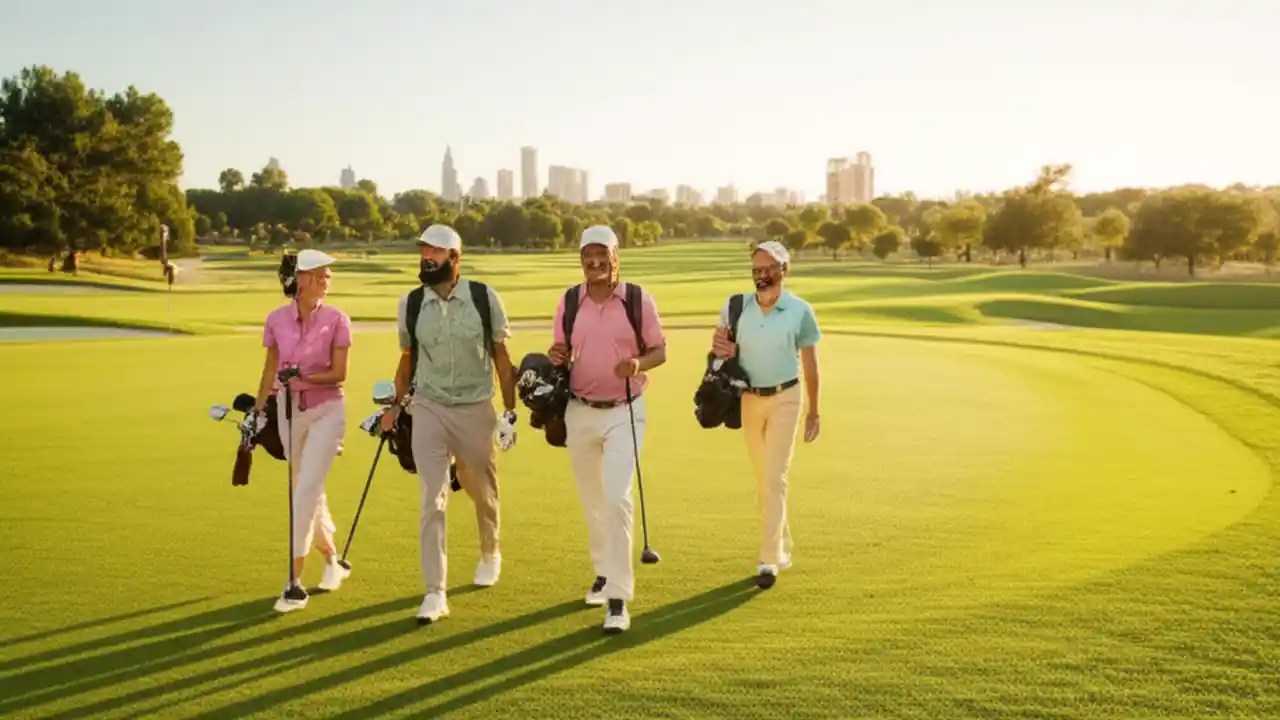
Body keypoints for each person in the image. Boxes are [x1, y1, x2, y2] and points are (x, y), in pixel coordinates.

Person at [380, 224, 518, 625]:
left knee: (481, 489)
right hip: (429, 407)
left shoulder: (482, 297)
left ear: (455, 259)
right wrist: (394, 406)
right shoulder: (410, 304)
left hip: (476, 408)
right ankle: (434, 592)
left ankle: (490, 550)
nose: (426, 257)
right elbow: (407, 362)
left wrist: (509, 413)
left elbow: (502, 357)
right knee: (432, 498)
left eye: (435, 252)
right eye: (423, 250)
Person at [549, 225, 667, 634]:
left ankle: (618, 597)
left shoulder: (637, 300)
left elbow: (659, 351)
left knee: (617, 499)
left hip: (625, 410)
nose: (596, 263)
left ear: (617, 257)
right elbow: (561, 354)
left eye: (604, 256)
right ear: (580, 259)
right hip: (579, 411)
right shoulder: (568, 301)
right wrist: (557, 356)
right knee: (593, 502)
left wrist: (638, 364)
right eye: (588, 256)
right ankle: (602, 572)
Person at [710, 240, 821, 590]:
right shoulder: (736, 307)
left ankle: (768, 559)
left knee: (775, 478)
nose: (762, 274)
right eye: (756, 269)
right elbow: (718, 351)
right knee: (765, 480)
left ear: (783, 270)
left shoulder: (800, 310)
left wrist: (814, 411)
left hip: (787, 397)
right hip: (749, 400)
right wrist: (719, 348)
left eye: (768, 268)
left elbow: (811, 364)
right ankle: (782, 544)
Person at [253, 249, 353, 613]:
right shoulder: (276, 320)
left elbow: (339, 374)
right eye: (323, 275)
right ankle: (332, 558)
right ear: (304, 279)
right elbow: (269, 371)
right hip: (289, 411)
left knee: (306, 489)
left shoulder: (338, 319)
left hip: (328, 410)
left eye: (328, 275)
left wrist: (303, 377)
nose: (328, 280)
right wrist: (258, 411)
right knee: (307, 488)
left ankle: (293, 584)